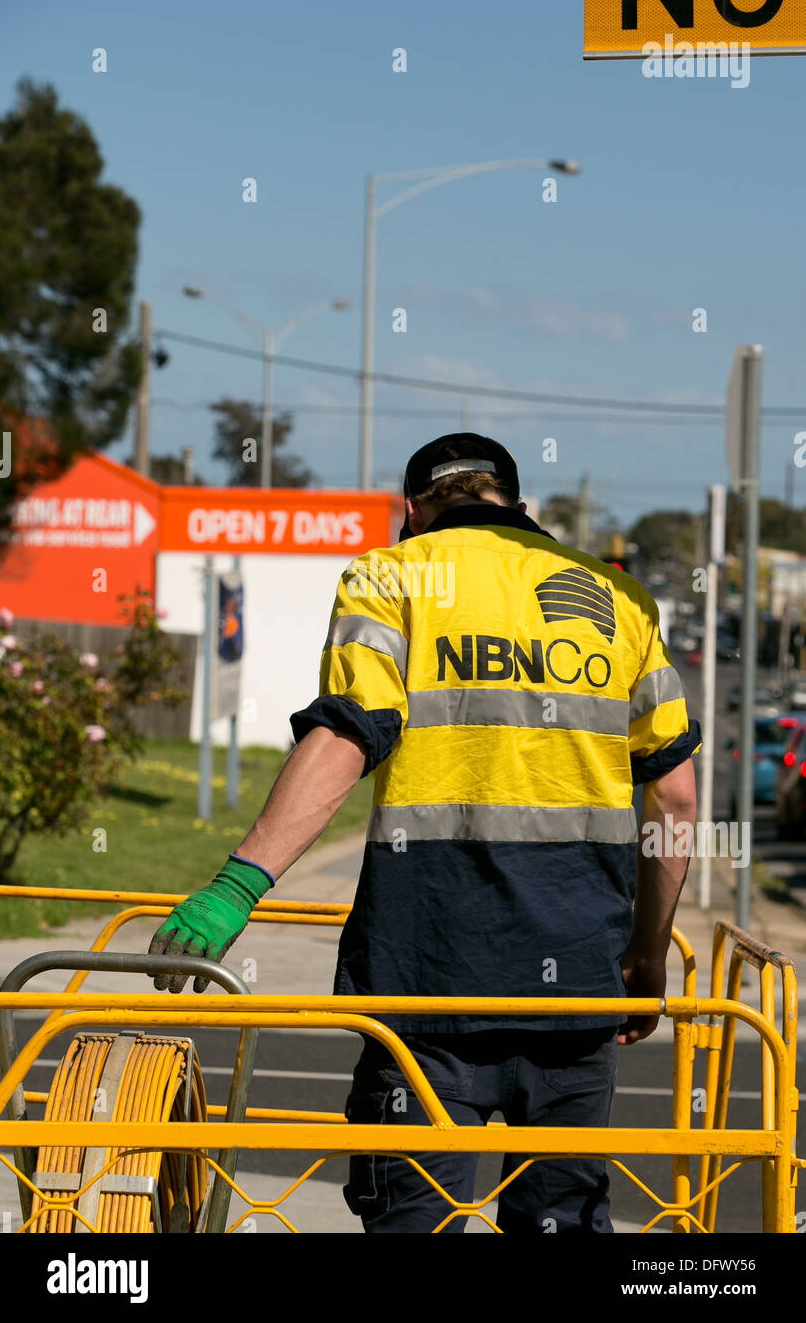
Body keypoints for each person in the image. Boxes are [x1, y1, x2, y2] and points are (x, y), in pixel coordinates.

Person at [149, 432, 700, 1234]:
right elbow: (674, 798)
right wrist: (646, 953)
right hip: (578, 987)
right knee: (562, 1223)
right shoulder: (618, 600)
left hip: (425, 984)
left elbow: (349, 734)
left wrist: (238, 886)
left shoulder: (390, 576)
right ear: (515, 503)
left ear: (411, 511)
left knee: (414, 1223)